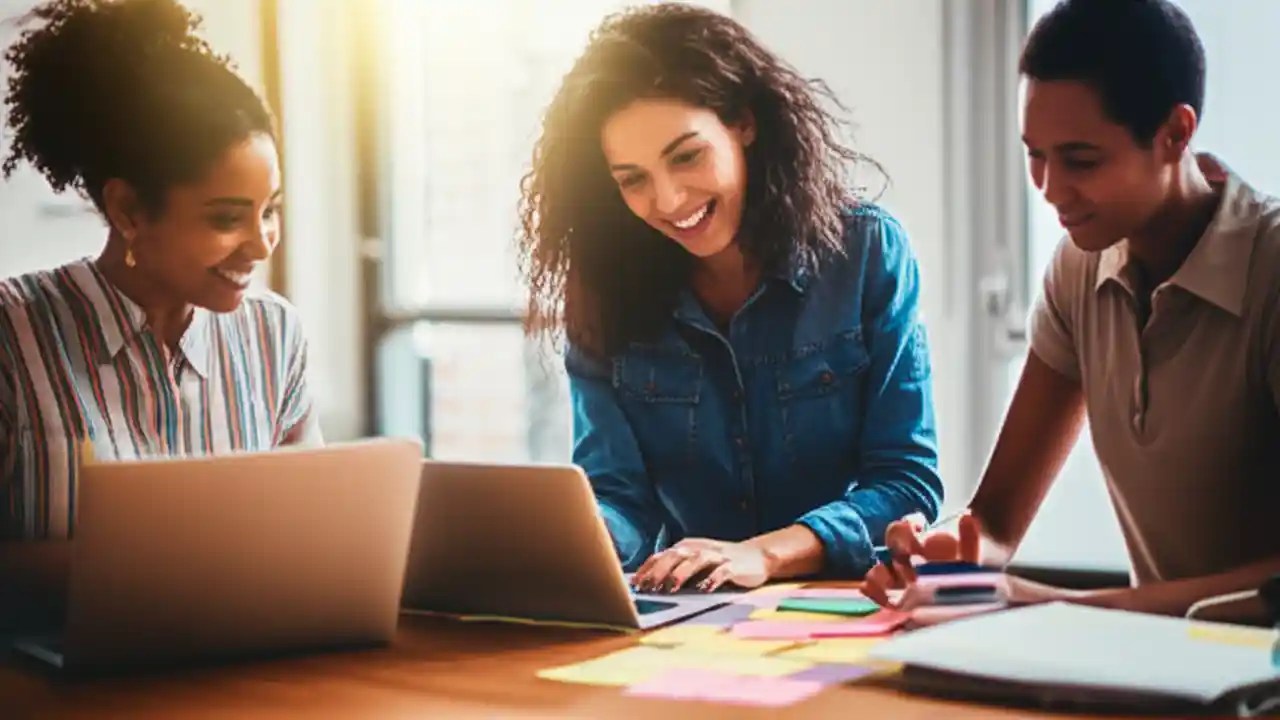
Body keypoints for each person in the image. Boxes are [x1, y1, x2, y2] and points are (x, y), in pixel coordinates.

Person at [865, 0, 1280, 621]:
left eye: (1081, 160)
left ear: (1175, 133)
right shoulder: (1080, 268)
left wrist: (1064, 605)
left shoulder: (1269, 270)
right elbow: (996, 522)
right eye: (1036, 154)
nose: (1051, 189)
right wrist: (946, 558)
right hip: (1173, 673)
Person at [517, 4, 941, 594]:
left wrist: (765, 554)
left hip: (836, 601)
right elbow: (619, 496)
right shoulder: (602, 291)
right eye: (632, 179)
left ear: (743, 122)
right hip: (691, 608)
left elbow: (906, 481)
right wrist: (560, 540)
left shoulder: (866, 253)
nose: (666, 200)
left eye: (686, 156)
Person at [0, 0, 318, 626]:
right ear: (127, 212)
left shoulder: (274, 334)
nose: (261, 244)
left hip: (243, 672)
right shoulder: (13, 334)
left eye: (270, 210)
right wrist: (157, 570)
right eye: (227, 218)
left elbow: (317, 533)